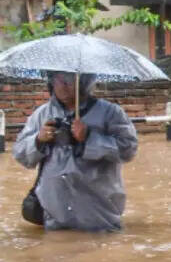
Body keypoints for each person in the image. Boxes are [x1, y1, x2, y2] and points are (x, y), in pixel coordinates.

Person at [13, 71, 138, 231]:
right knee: (57, 244)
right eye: (58, 80)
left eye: (69, 81)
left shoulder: (110, 113)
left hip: (98, 212)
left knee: (100, 243)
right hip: (54, 211)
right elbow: (20, 154)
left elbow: (128, 150)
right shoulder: (42, 114)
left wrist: (89, 138)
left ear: (84, 82)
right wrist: (38, 140)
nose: (63, 86)